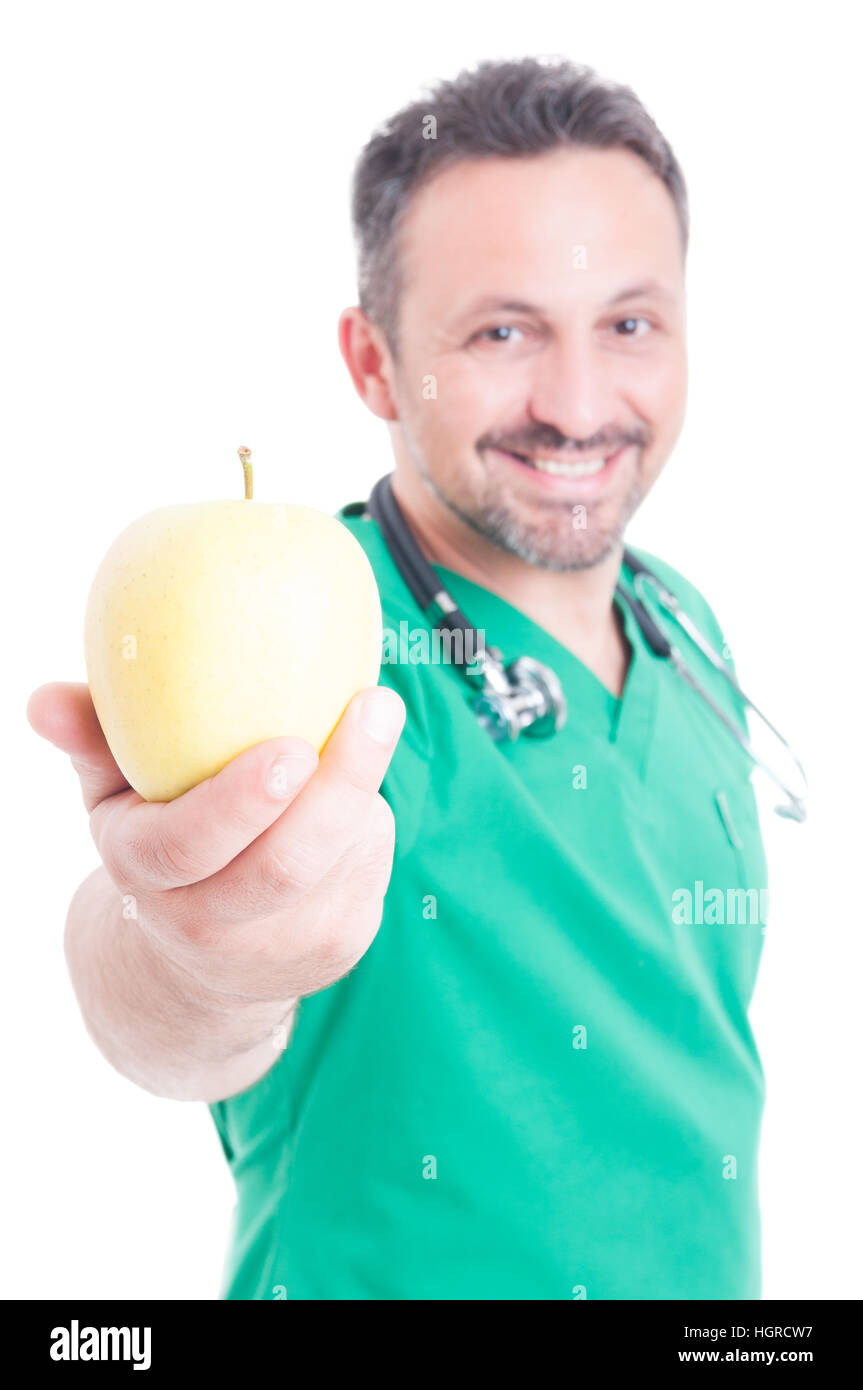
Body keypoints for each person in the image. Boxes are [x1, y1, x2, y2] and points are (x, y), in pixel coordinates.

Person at [27, 56, 770, 1300]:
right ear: (372, 363)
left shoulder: (681, 621)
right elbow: (164, 976)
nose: (579, 403)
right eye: (501, 331)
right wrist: (193, 957)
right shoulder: (324, 649)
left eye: (628, 324)